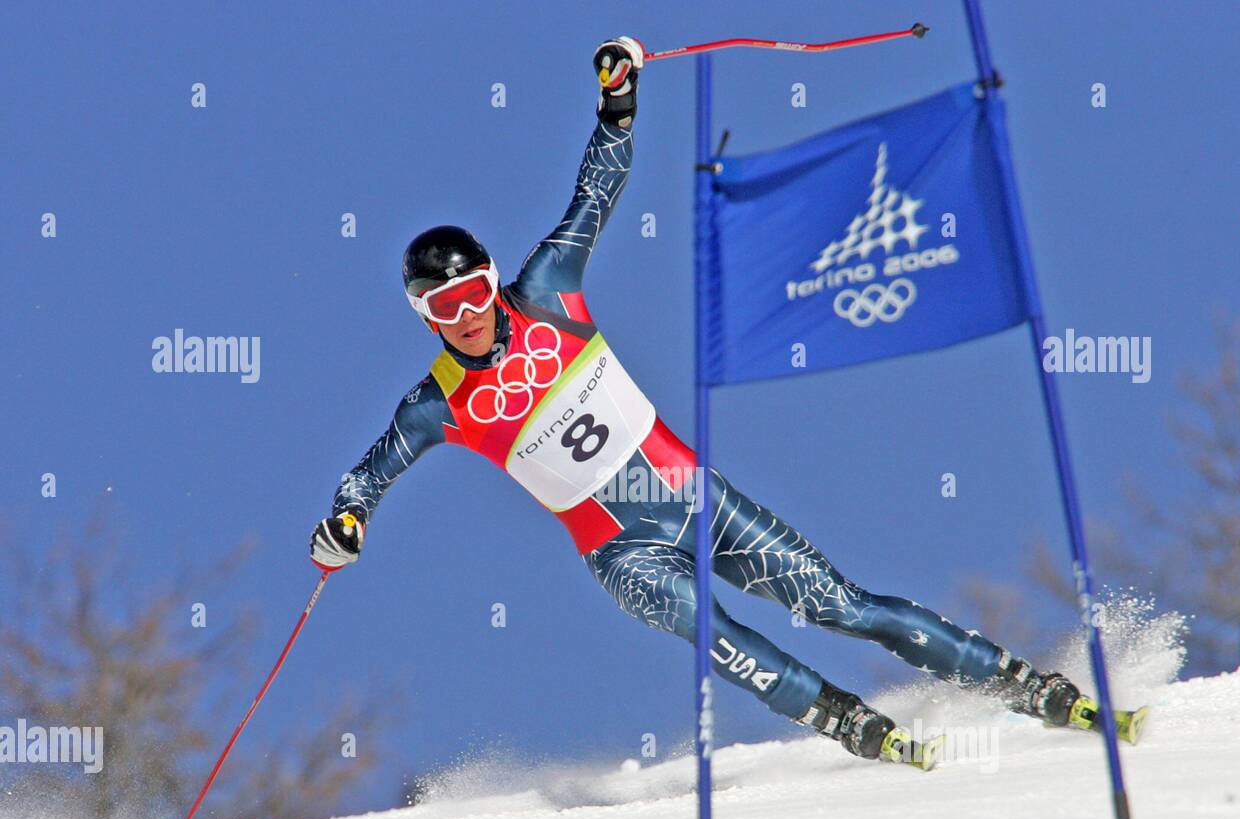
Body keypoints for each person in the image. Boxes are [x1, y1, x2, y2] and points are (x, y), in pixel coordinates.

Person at [311, 36, 1130, 770]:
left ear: (493, 279)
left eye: (473, 292)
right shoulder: (438, 403)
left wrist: (618, 104)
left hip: (688, 494)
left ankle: (1029, 687)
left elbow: (594, 193)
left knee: (843, 604)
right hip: (618, 550)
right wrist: (344, 526)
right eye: (443, 308)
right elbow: (368, 476)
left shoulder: (549, 290)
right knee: (719, 635)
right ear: (425, 317)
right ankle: (853, 725)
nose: (467, 315)